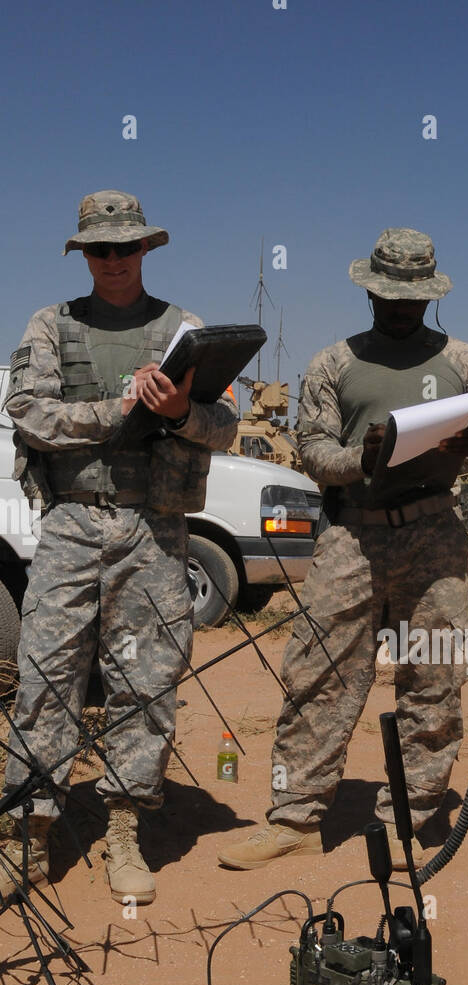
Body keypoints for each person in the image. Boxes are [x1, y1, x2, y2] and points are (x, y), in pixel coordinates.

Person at [218, 227, 468, 872]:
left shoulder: (467, 362)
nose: (401, 306)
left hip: (434, 534)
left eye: (414, 297)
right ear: (369, 291)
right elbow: (315, 452)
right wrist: (365, 456)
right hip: (351, 535)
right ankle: (293, 818)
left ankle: (411, 817)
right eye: (389, 295)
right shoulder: (333, 364)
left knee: (432, 674)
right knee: (319, 672)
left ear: (430, 296)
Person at [1, 190, 237, 907]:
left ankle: (124, 828)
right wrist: (124, 411)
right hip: (73, 525)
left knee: (147, 683)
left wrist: (181, 412)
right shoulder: (53, 324)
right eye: (99, 250)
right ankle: (27, 834)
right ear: (84, 256)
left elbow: (224, 427)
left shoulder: (181, 329)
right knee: (46, 677)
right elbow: (30, 413)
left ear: (145, 249)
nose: (112, 261)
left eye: (124, 247)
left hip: (155, 530)